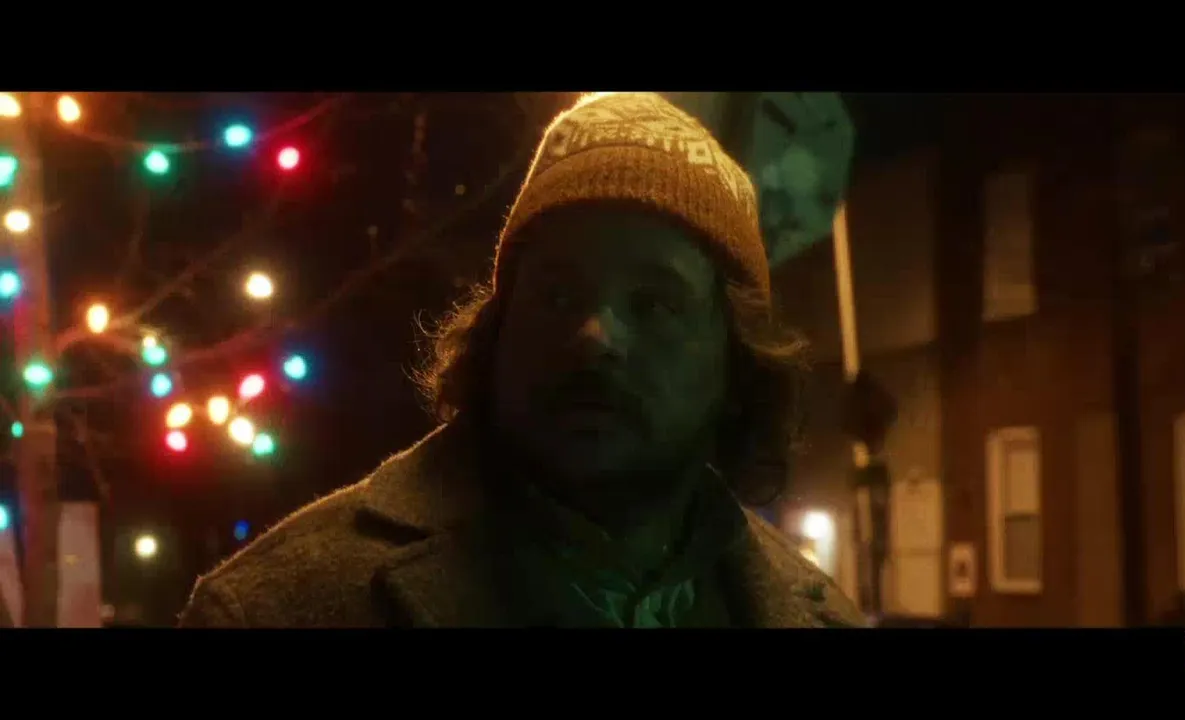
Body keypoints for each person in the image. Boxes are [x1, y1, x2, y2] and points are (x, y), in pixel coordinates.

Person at [179, 92, 865, 628]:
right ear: (499, 328)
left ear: (734, 358)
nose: (595, 336)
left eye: (655, 303)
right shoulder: (273, 609)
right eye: (557, 294)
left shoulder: (819, 614)